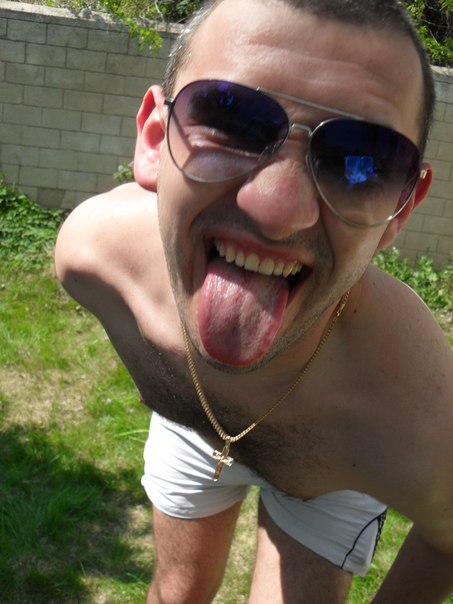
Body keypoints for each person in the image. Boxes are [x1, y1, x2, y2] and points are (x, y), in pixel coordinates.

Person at [55, 0, 453, 601]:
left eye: (360, 160)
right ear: (155, 139)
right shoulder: (92, 261)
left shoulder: (412, 412)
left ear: (400, 208)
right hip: (196, 425)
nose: (276, 210)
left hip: (335, 474)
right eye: (232, 120)